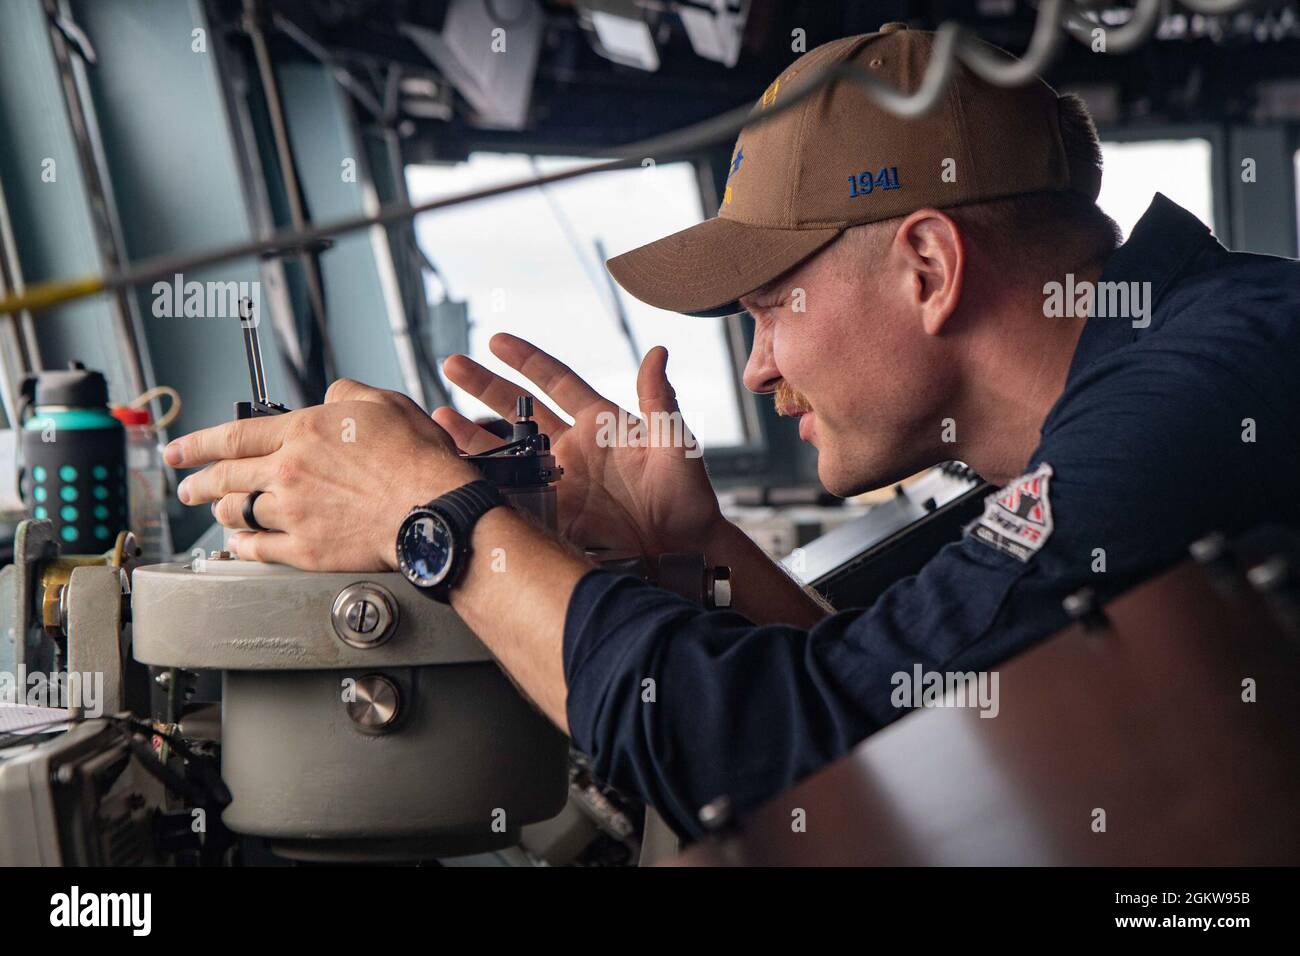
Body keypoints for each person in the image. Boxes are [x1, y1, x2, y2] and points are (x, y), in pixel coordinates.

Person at [163, 25, 1300, 838]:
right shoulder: (1175, 354)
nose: (755, 367)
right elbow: (906, 722)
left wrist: (434, 519)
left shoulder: (1196, 394)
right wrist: (701, 549)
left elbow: (767, 755)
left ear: (927, 266)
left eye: (767, 309)